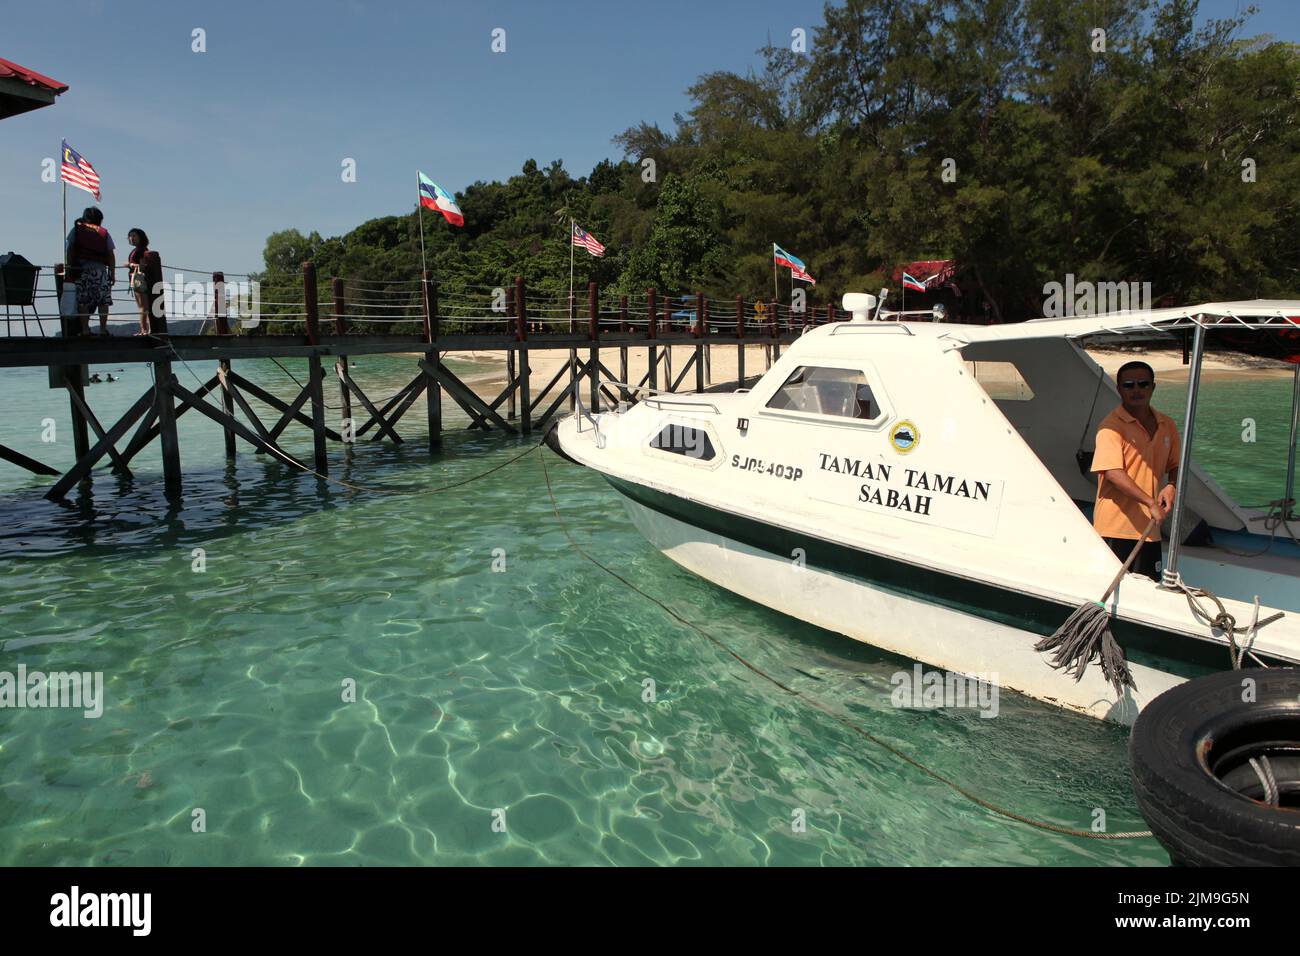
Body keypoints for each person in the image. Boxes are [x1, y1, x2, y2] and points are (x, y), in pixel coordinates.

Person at [1090, 360, 1181, 580]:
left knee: (1149, 589)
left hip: (1150, 529)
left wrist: (1171, 486)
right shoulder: (1110, 427)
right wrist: (1150, 502)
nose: (1137, 390)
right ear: (1119, 388)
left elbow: (1177, 465)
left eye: (1143, 384)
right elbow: (1112, 473)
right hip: (1114, 528)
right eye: (1129, 385)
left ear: (1153, 387)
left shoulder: (1167, 425)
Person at [65, 207, 116, 336]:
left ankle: (85, 329)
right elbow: (110, 254)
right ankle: (103, 329)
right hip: (100, 270)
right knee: (103, 301)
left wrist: (69, 267)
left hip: (81, 270)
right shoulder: (104, 233)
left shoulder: (76, 230)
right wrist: (112, 272)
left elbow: (70, 249)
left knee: (83, 300)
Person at [126, 228, 161, 335]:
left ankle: (144, 330)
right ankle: (146, 329)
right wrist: (129, 264)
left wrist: (131, 265)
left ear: (141, 237)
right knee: (144, 306)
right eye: (130, 236)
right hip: (139, 279)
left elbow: (142, 266)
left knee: (143, 306)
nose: (131, 238)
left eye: (134, 236)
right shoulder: (137, 250)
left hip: (139, 279)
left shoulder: (141, 250)